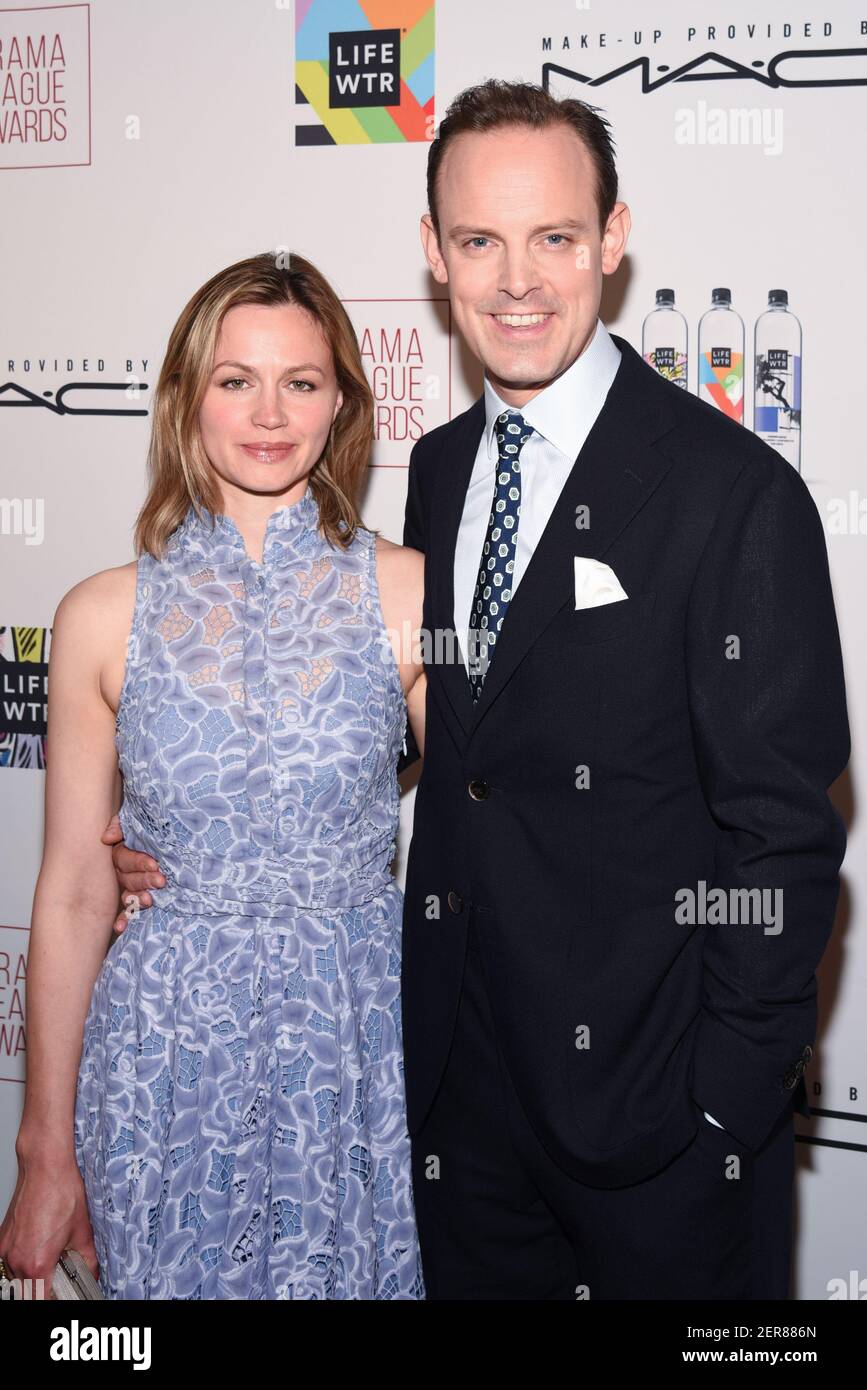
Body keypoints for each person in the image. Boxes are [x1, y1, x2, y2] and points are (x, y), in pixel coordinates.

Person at [107, 81, 849, 1301]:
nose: (517, 280)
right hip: (460, 1105)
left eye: (554, 237)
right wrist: (218, 830)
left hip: (661, 1122)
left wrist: (724, 1102)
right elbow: (459, 736)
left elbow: (786, 838)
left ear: (612, 240)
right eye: (479, 241)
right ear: (433, 254)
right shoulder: (444, 472)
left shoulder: (734, 494)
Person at [0, 252, 427, 1300]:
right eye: (236, 379)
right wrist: (43, 1150)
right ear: (188, 397)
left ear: (342, 403)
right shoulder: (102, 612)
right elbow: (68, 889)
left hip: (358, 1054)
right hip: (164, 1061)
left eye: (302, 380)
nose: (269, 411)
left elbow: (503, 834)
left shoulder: (412, 593)